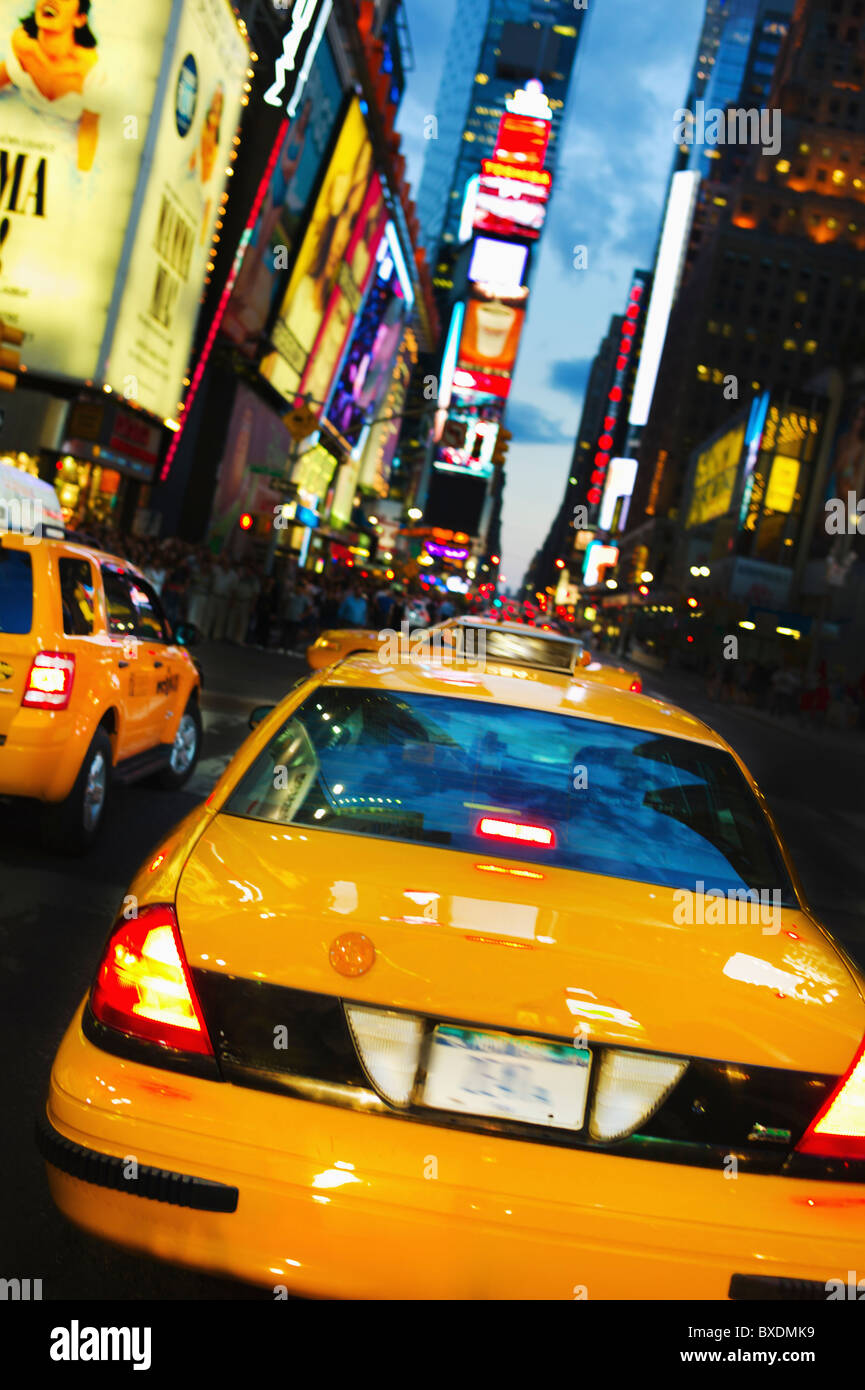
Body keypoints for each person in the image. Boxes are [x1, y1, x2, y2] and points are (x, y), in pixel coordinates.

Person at [0, 0, 105, 172]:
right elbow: (6, 74)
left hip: (65, 153)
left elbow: (89, 131)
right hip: (22, 134)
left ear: (79, 19)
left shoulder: (90, 70)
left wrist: (82, 176)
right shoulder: (23, 45)